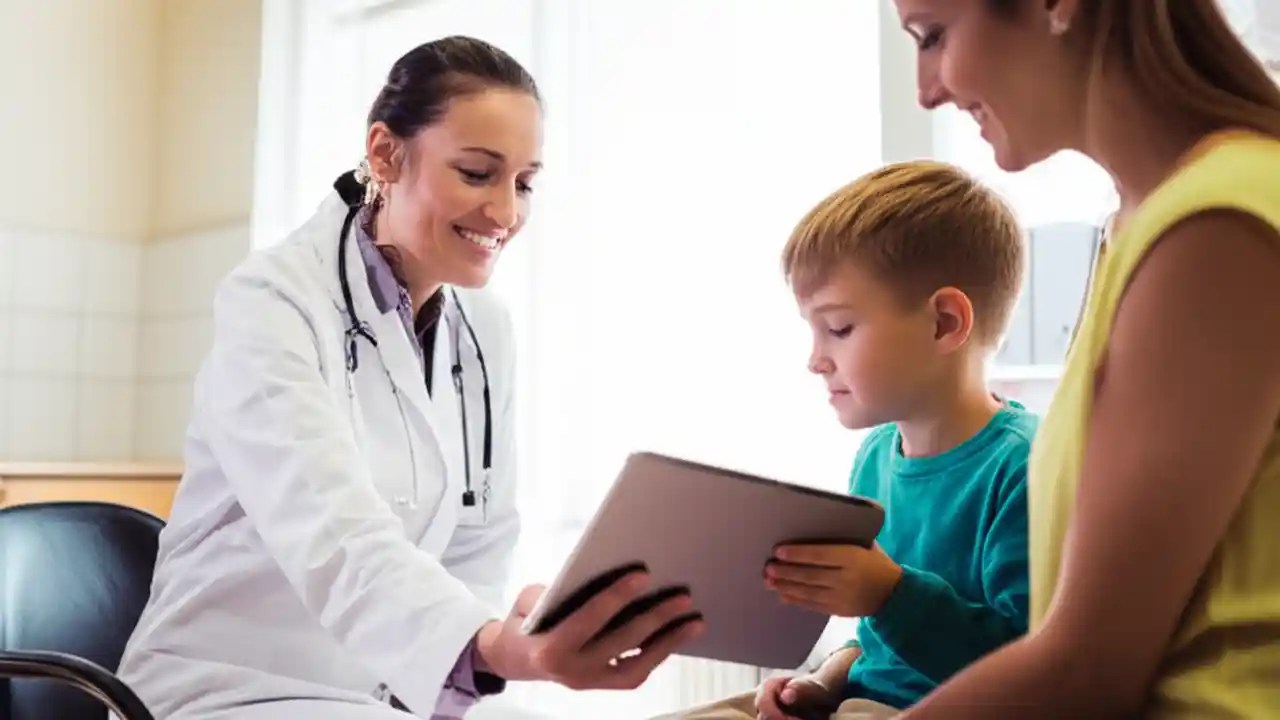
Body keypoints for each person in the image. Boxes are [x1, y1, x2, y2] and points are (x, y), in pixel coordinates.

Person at [115, 36, 703, 720]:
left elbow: (480, 539)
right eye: (477, 173)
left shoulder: (484, 329)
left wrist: (494, 646)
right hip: (229, 686)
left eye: (524, 183)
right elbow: (334, 533)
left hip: (386, 692)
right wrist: (488, 646)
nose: (507, 213)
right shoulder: (272, 302)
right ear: (386, 154)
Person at [885, 1, 1280, 718]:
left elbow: (1087, 670)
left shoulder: (1217, 223)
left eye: (933, 35)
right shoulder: (1145, 223)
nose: (926, 90)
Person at [666, 161, 1036, 720]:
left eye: (838, 329)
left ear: (943, 323)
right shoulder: (875, 457)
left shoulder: (1024, 468)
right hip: (857, 701)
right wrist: (821, 681)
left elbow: (1032, 671)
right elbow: (877, 642)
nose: (816, 360)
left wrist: (890, 595)